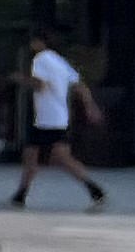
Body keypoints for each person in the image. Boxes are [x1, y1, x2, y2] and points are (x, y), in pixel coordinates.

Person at [7, 29, 110, 208]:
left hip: (45, 119)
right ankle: (20, 196)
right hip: (59, 118)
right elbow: (79, 86)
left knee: (52, 157)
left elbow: (40, 84)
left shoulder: (40, 59)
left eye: (33, 42)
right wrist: (90, 106)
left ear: (40, 42)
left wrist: (20, 79)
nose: (31, 46)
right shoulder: (60, 61)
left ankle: (94, 189)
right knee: (35, 154)